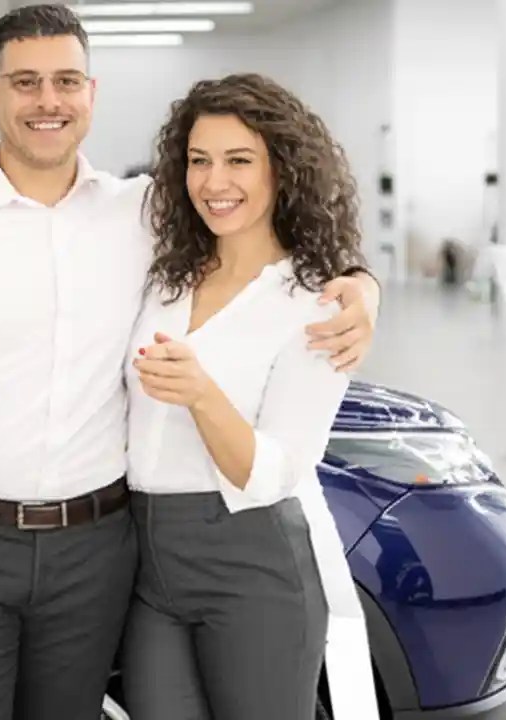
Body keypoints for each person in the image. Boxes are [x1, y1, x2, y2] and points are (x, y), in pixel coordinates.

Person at [0, 5, 380, 719]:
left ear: (92, 92)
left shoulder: (143, 212)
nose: (47, 100)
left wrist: (362, 285)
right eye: (25, 82)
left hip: (97, 548)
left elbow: (260, 230)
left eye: (66, 81)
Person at [122, 73, 382, 720]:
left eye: (241, 161)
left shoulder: (315, 303)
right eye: (199, 161)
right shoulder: (166, 272)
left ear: (284, 171)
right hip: (148, 563)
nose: (215, 183)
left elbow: (275, 474)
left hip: (254, 564)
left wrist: (203, 396)